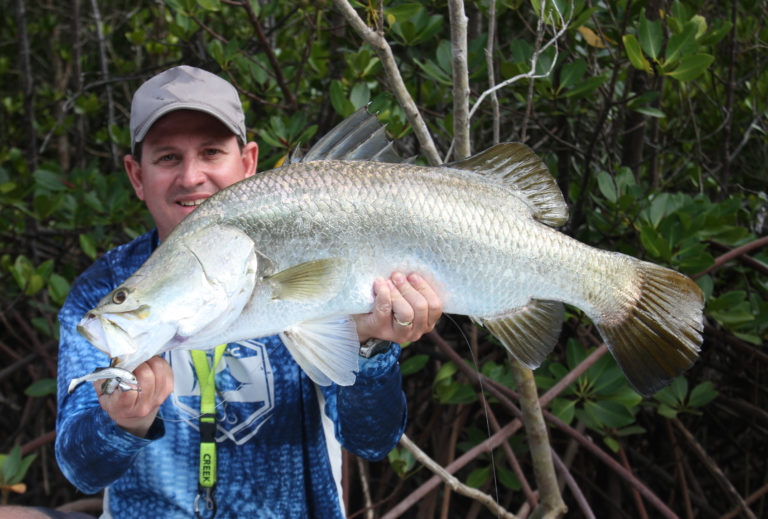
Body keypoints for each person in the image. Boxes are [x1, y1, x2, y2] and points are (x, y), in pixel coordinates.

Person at [53, 66, 443, 518]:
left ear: (248, 163)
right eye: (167, 158)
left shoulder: (306, 236)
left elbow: (372, 441)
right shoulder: (105, 290)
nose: (191, 176)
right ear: (136, 176)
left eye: (212, 152)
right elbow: (80, 469)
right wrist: (123, 422)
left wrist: (371, 348)